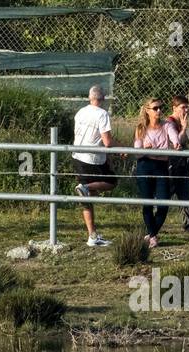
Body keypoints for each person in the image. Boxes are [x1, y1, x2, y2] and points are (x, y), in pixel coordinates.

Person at [133, 97, 181, 248]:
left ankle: (151, 233)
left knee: (163, 203)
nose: (159, 110)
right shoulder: (141, 128)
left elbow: (174, 137)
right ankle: (153, 236)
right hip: (144, 165)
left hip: (161, 166)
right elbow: (137, 152)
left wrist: (176, 142)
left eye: (160, 107)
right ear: (147, 111)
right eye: (155, 108)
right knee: (147, 203)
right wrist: (144, 150)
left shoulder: (167, 125)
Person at [71, 85, 115, 247]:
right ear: (103, 99)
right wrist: (121, 147)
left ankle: (92, 235)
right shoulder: (102, 114)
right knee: (112, 182)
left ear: (90, 97)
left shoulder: (80, 112)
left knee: (86, 198)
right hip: (92, 159)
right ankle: (87, 187)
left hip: (77, 156)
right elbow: (107, 142)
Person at [165, 95, 189, 235]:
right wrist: (184, 128)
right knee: (165, 196)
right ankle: (152, 224)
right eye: (183, 107)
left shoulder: (180, 122)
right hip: (171, 165)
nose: (186, 110)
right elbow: (177, 144)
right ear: (174, 108)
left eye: (187, 107)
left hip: (182, 166)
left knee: (185, 195)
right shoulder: (169, 123)